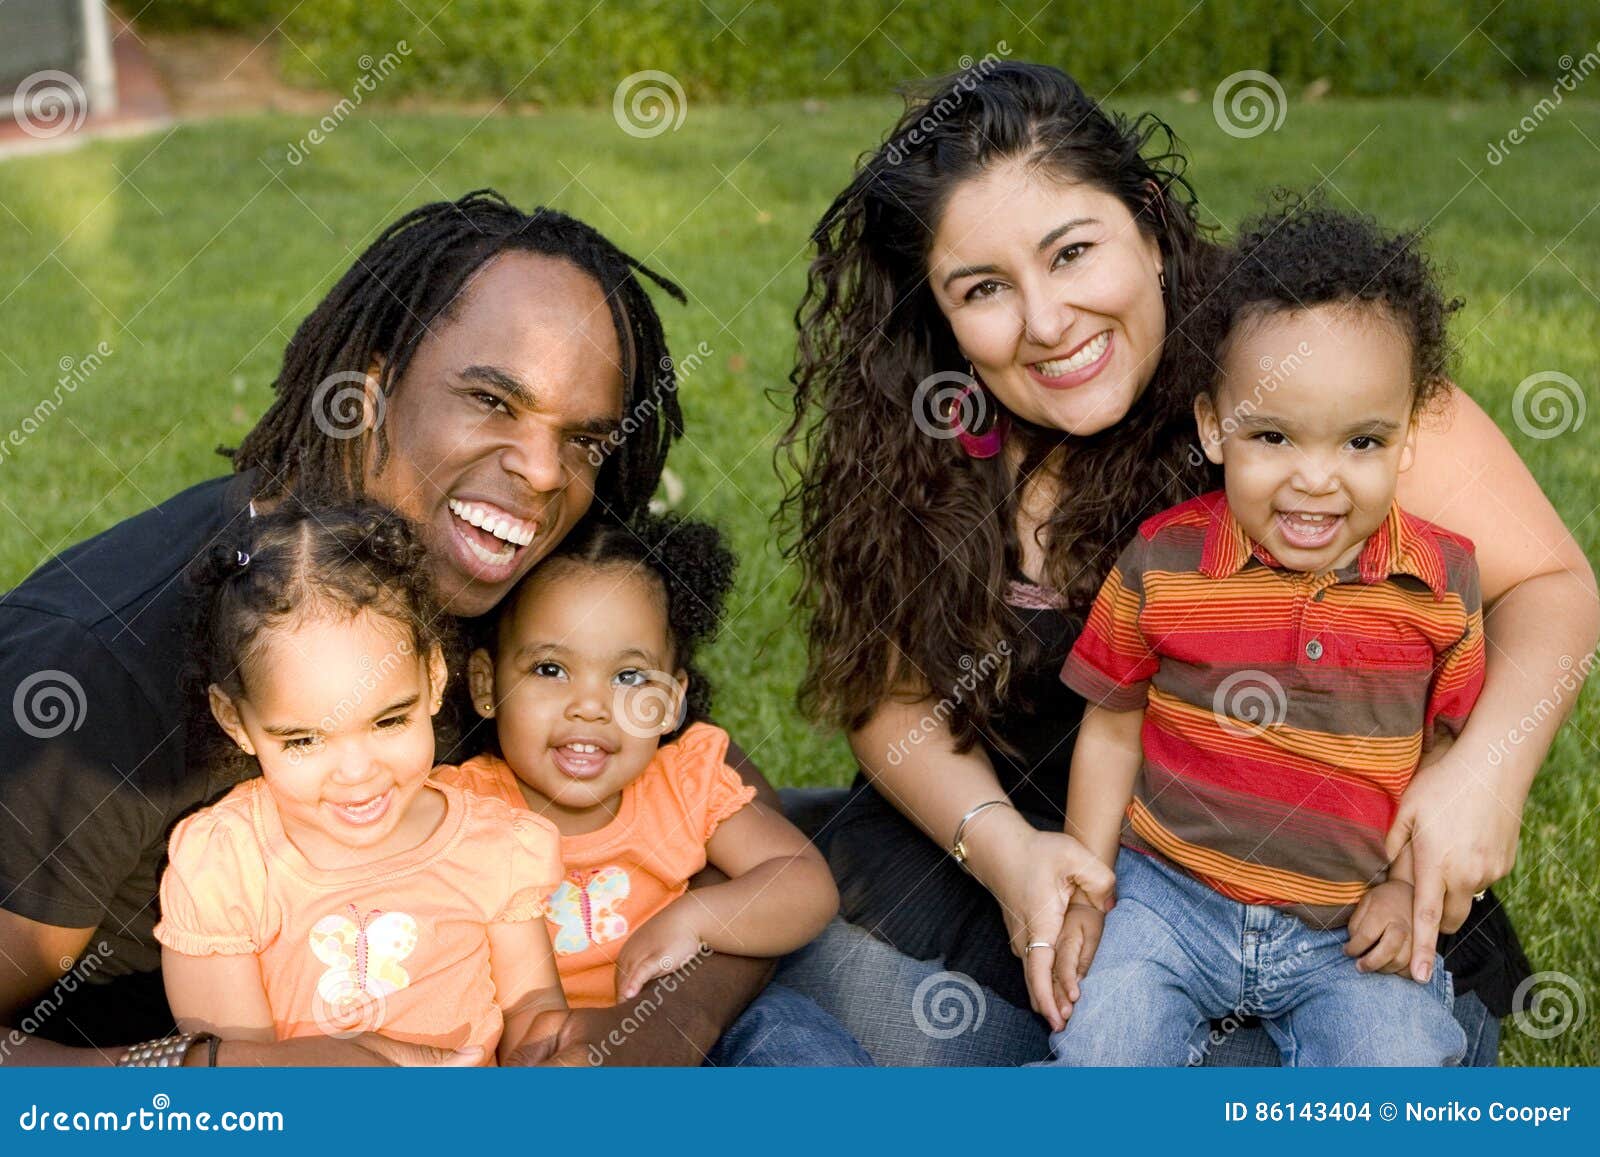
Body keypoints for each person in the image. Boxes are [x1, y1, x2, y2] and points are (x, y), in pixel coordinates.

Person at [776, 63, 1594, 1066]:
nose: (1045, 321)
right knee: (813, 955)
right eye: (984, 289)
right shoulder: (930, 436)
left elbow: (1553, 586)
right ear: (938, 316)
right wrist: (1008, 852)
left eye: (1072, 251)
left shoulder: (1305, 368)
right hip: (1068, 873)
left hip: (1324, 897)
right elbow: (890, 700)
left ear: (1148, 222)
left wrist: (1487, 773)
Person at [0, 190, 778, 1065]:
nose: (540, 470)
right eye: (492, 399)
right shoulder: (101, 671)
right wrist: (229, 1078)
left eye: (584, 441)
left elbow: (720, 801)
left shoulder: (494, 570)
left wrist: (671, 1020)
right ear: (369, 389)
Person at [1041, 200, 1481, 1066]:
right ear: (1214, 427)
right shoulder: (1164, 561)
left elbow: (1452, 755)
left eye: (1361, 440)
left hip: (1349, 927)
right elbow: (1114, 722)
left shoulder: (1440, 584)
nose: (1314, 480)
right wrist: (1092, 888)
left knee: (1400, 1070)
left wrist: (1406, 887)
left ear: (1407, 435)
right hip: (1171, 900)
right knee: (1101, 1050)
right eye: (1273, 435)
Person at [439, 513, 869, 1065]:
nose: (589, 706)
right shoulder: (463, 808)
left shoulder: (683, 782)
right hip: (534, 1049)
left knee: (794, 1039)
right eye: (549, 669)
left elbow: (804, 884)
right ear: (485, 684)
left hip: (705, 1036)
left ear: (669, 701)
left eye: (627, 677)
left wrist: (695, 919)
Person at [158, 503, 567, 1067]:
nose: (356, 774)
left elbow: (535, 1014)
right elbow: (239, 1078)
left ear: (432, 678)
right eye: (302, 740)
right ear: (236, 722)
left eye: (388, 721)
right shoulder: (227, 868)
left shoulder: (494, 844)